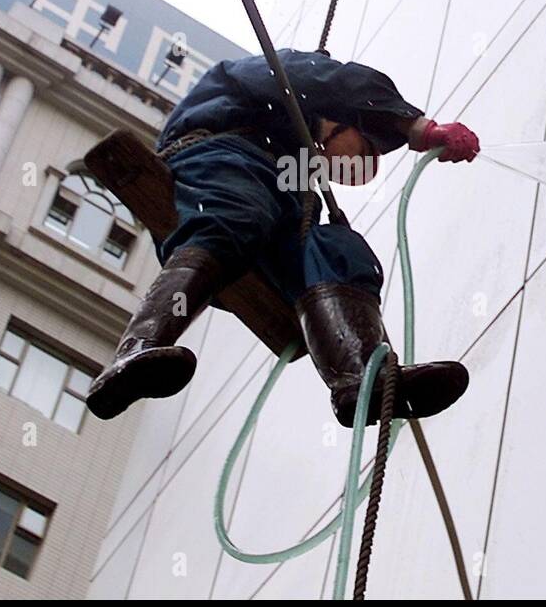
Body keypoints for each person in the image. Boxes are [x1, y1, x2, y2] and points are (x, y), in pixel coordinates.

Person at [85, 48, 480, 427]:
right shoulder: (274, 80)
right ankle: (138, 348)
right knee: (239, 214)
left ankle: (359, 379)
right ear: (338, 119)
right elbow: (324, 78)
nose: (346, 168)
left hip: (271, 204)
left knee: (338, 247)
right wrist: (415, 128)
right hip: (219, 162)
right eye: (361, 152)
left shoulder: (298, 181)